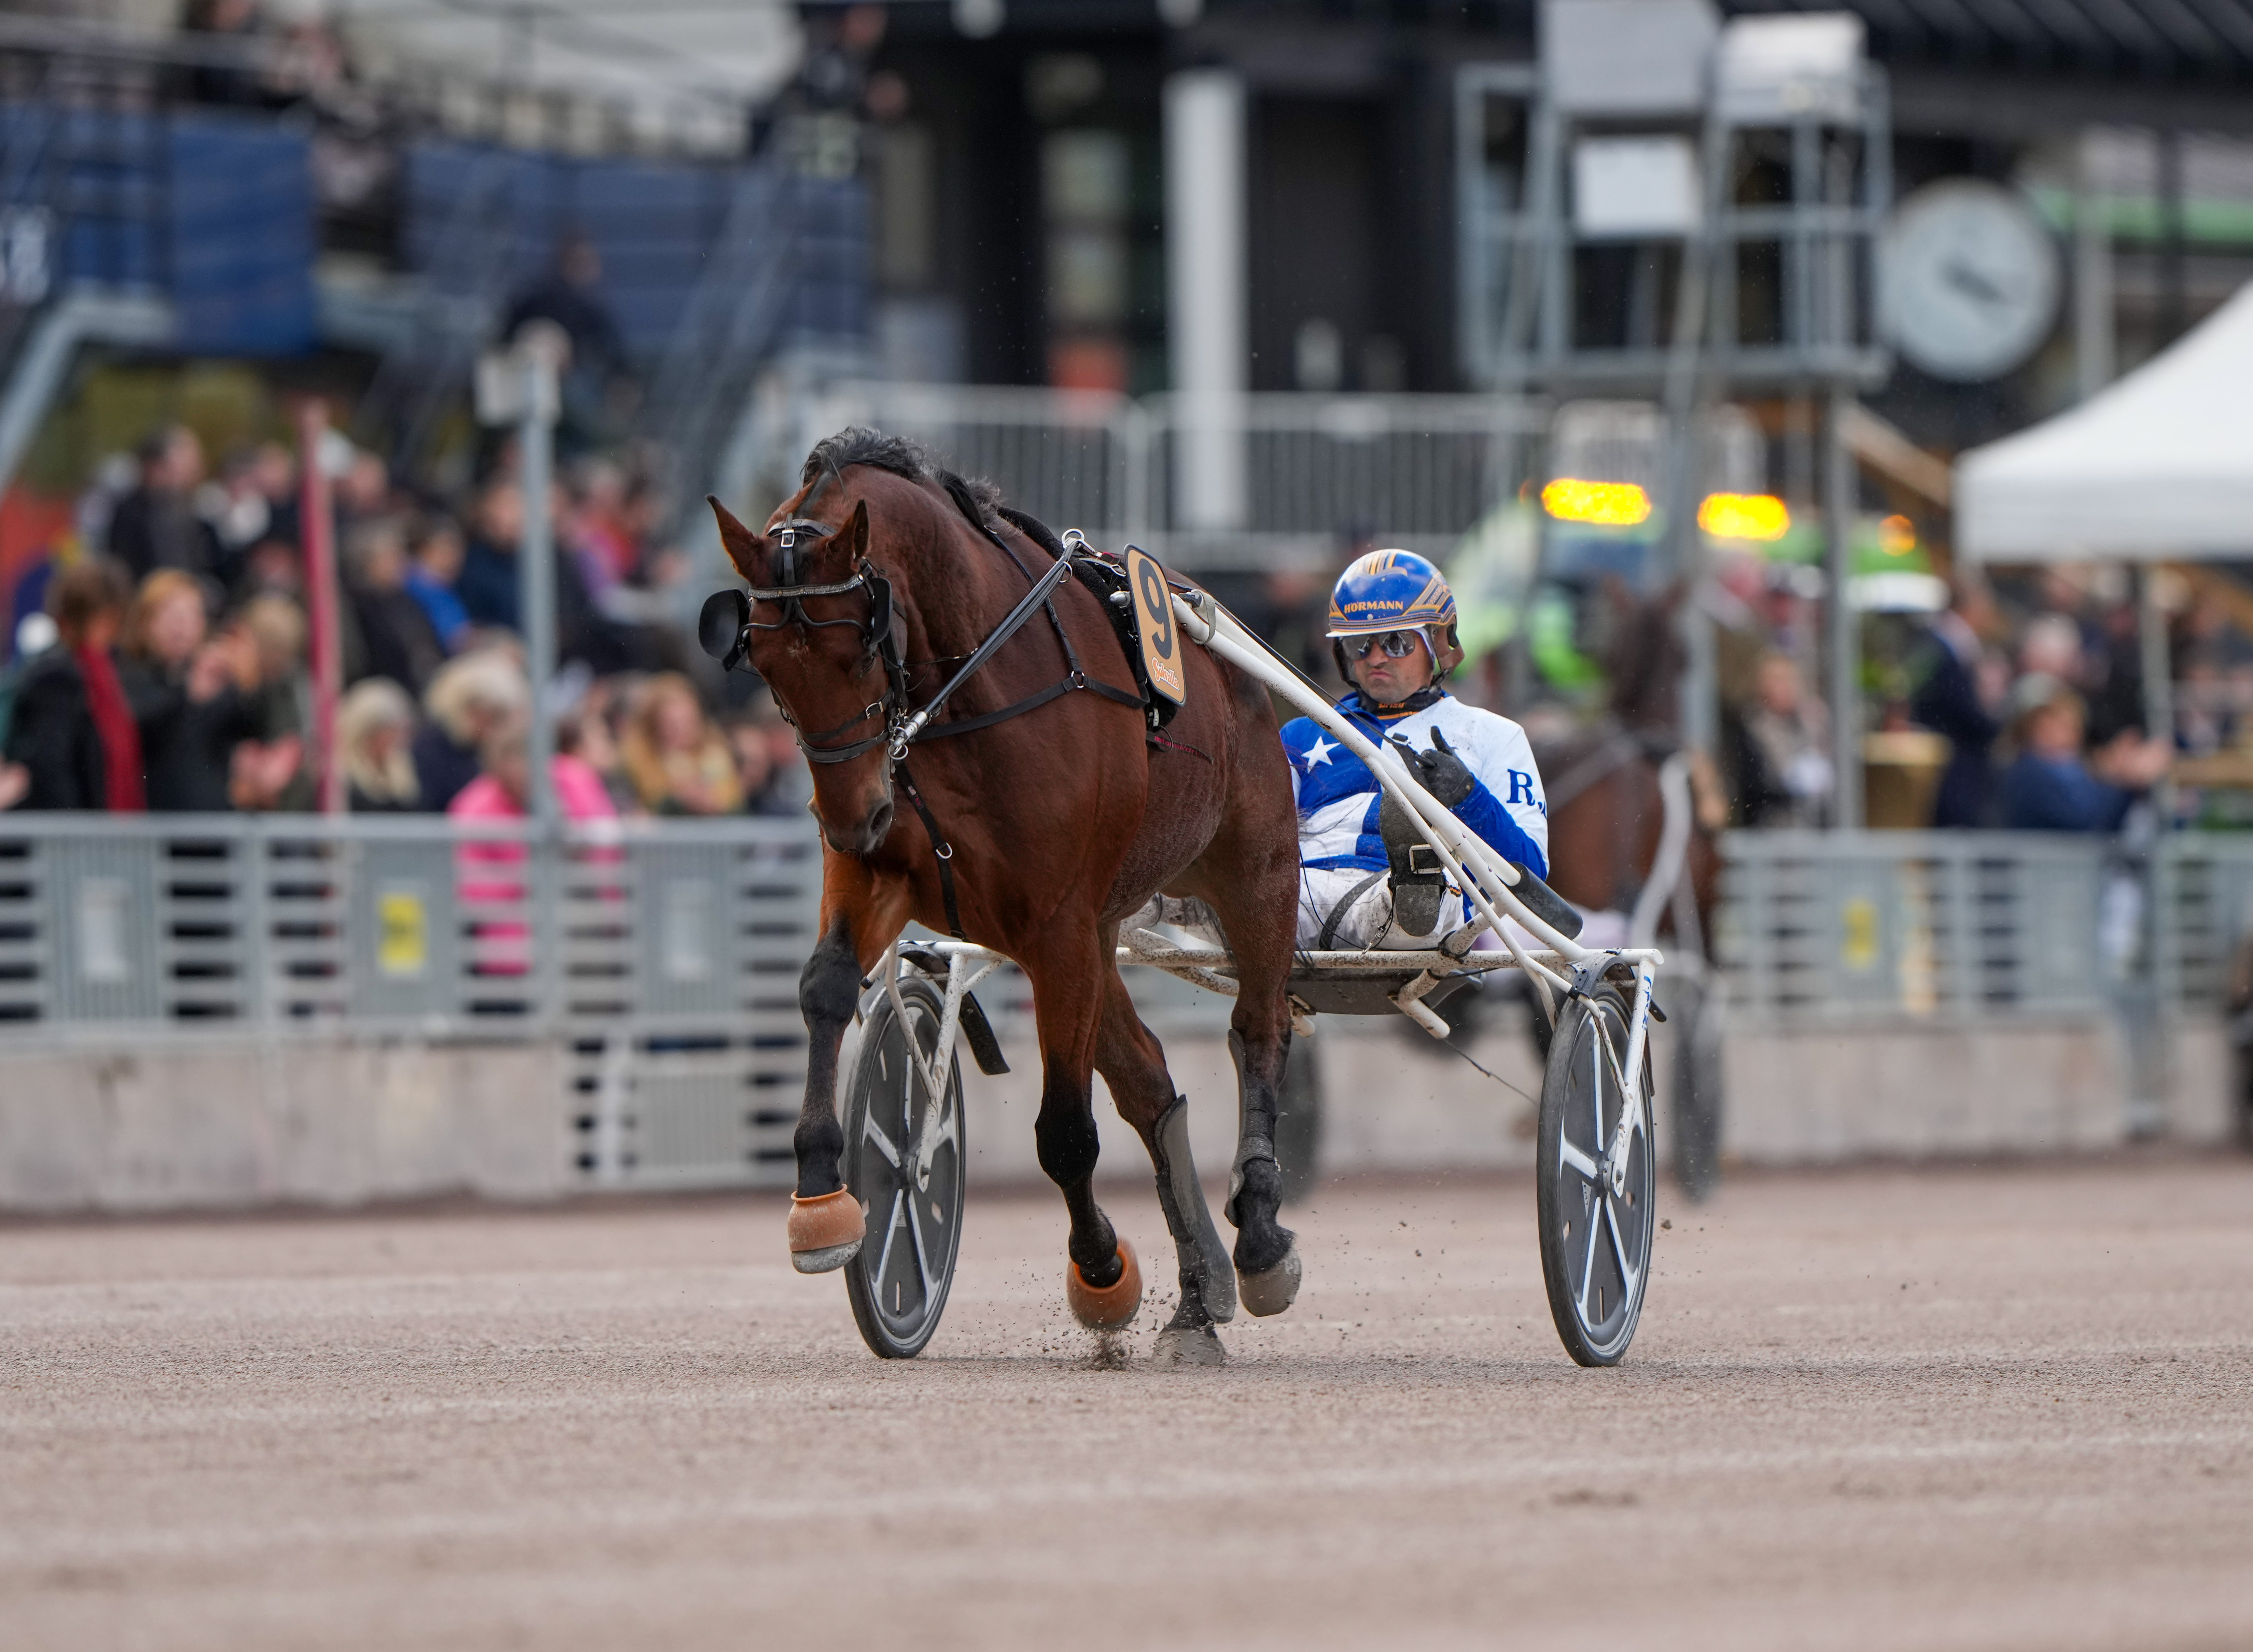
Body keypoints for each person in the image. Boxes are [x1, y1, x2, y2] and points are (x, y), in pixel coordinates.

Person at [1134, 550, 1549, 951]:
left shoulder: (1495, 734)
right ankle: (1133, 897)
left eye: (1396, 642)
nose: (1377, 658)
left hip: (1417, 908)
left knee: (1418, 894)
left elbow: (1532, 873)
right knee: (1231, 870)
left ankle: (1408, 889)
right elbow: (1252, 841)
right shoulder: (1301, 733)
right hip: (1288, 900)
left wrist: (1467, 797)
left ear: (1439, 642)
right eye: (1360, 645)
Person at [117, 569, 263, 812]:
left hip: (213, 824)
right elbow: (141, 730)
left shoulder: (216, 679)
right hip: (153, 821)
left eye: (190, 617)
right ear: (145, 623)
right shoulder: (131, 676)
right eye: (172, 617)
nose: (181, 628)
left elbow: (251, 729)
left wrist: (247, 681)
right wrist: (189, 695)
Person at [3, 559, 142, 810]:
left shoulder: (107, 672)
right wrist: (77, 836)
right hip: (75, 839)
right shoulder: (58, 676)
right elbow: (52, 768)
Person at [1997, 675, 2171, 833]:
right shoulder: (2030, 770)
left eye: (2067, 722)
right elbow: (2085, 818)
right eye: (2048, 722)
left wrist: (2119, 770)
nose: (2059, 731)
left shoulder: (2074, 765)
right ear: (2028, 726)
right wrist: (2123, 777)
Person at [1912, 578, 2008, 828]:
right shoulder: (1945, 646)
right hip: (1952, 764)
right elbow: (1960, 709)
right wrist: (1998, 726)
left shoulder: (1948, 644)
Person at [1723, 652, 1834, 828]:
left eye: (1790, 679)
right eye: (1778, 680)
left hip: (1814, 830)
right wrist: (1791, 785)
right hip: (1771, 832)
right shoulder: (1750, 727)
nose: (1786, 687)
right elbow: (1751, 786)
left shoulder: (1811, 722)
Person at [414, 648, 530, 812]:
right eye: (478, 711)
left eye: (495, 714)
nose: (486, 721)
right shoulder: (433, 748)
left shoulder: (516, 748)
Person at [107, 426, 221, 584]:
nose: (192, 472)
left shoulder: (185, 507)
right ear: (155, 467)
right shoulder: (130, 513)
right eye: (183, 465)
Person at [619, 673, 742, 815]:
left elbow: (737, 808)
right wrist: (678, 799)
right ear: (654, 725)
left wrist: (714, 805)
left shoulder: (716, 757)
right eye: (671, 724)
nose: (682, 731)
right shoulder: (635, 763)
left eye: (688, 722)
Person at [336, 677, 421, 812]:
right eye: (388, 730)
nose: (396, 738)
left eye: (398, 730)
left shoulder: (407, 772)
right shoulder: (343, 782)